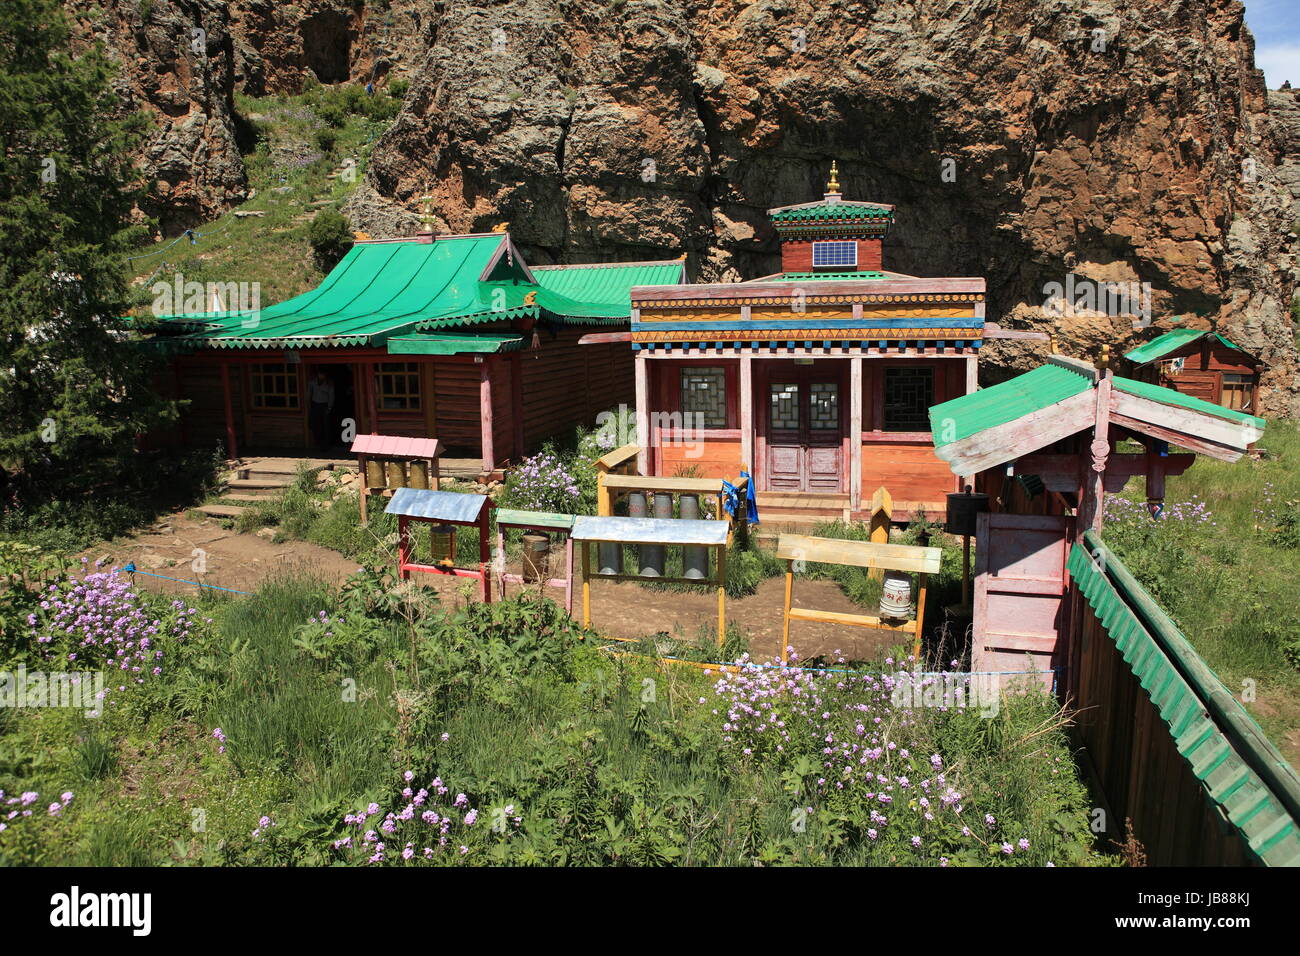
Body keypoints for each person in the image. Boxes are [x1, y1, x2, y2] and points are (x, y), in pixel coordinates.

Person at [308, 370, 335, 453]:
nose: (321, 376)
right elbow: (309, 394)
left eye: (322, 374)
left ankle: (326, 445)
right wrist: (309, 405)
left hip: (324, 406)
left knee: (325, 427)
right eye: (320, 374)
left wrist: (329, 408)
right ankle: (318, 443)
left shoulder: (329, 384)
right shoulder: (312, 383)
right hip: (315, 405)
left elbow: (331, 395)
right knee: (315, 425)